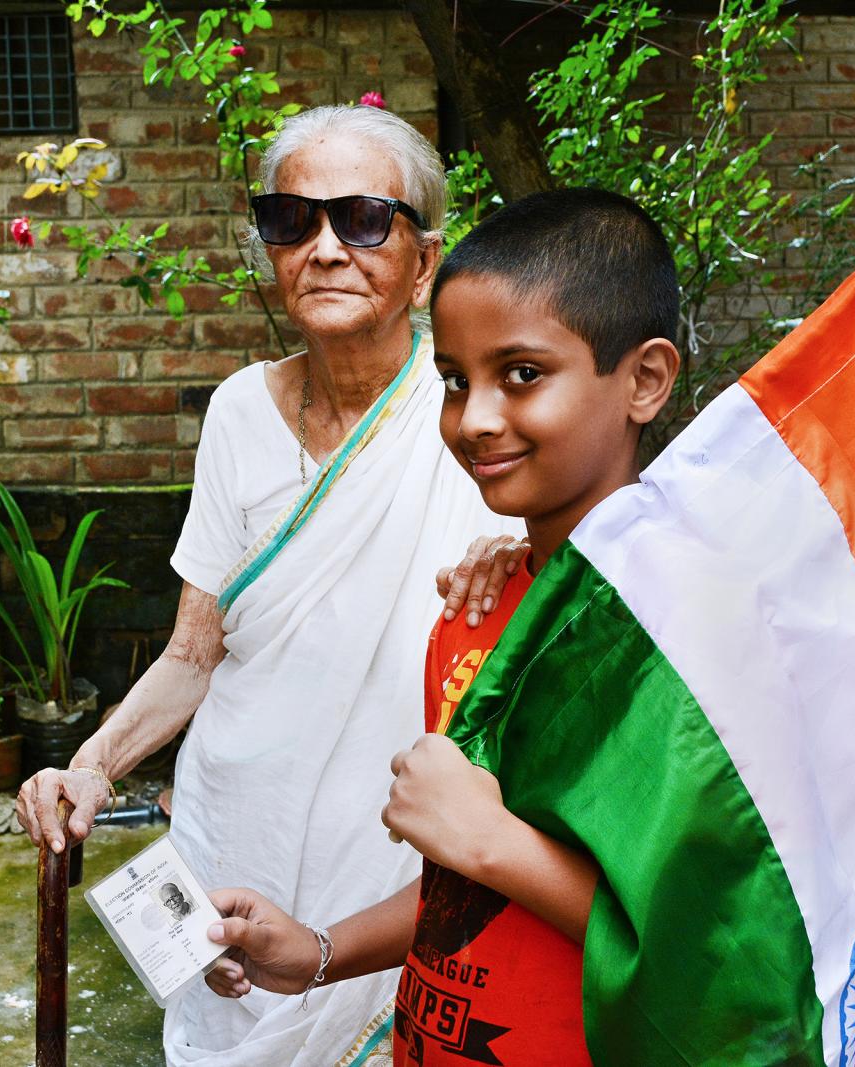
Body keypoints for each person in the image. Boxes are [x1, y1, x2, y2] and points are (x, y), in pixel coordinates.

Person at [11, 104, 526, 1067]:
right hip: (234, 816)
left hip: (382, 847)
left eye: (365, 219)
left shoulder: (472, 417)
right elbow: (192, 653)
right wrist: (95, 763)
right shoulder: (242, 410)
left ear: (425, 261)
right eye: (293, 221)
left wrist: (520, 558)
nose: (325, 248)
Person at [199, 189, 682, 1065]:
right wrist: (315, 950)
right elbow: (465, 891)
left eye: (522, 375)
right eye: (457, 381)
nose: (477, 418)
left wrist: (492, 840)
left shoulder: (682, 633)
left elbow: (712, 936)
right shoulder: (473, 609)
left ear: (644, 380)